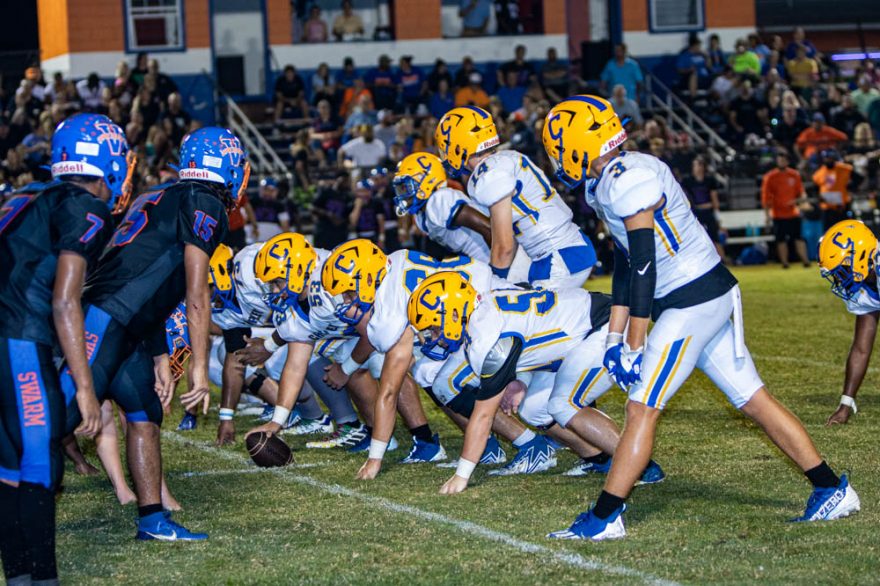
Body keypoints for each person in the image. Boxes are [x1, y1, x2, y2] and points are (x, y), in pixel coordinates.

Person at [542, 94, 859, 540]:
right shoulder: (606, 182)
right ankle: (831, 489)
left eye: (559, 146)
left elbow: (646, 264)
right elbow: (626, 264)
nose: (557, 156)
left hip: (692, 298)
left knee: (641, 408)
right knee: (753, 399)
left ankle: (604, 518)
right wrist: (615, 337)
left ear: (577, 145)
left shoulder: (626, 178)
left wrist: (633, 342)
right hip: (704, 293)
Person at [64, 126, 248, 542]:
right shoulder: (205, 202)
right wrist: (200, 369)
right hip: (104, 317)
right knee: (54, 420)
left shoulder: (160, 194)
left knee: (145, 414)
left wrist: (161, 354)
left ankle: (153, 521)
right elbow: (195, 291)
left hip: (125, 321)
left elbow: (153, 281)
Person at [0, 113, 124, 584]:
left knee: (9, 466)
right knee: (36, 462)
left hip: (6, 331)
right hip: (19, 336)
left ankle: (19, 578)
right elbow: (65, 300)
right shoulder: (85, 208)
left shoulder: (24, 195)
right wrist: (87, 389)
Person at [407, 272, 665, 494]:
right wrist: (521, 379)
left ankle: (641, 466)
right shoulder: (485, 306)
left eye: (435, 328)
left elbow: (484, 416)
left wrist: (462, 474)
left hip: (604, 329)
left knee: (564, 404)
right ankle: (600, 458)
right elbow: (531, 330)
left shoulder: (486, 337)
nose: (434, 337)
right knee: (533, 408)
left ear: (452, 314)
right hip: (576, 337)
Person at [436, 106, 596, 289]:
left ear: (458, 146)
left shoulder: (489, 172)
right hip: (562, 249)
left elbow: (504, 246)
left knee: (530, 315)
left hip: (558, 255)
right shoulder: (507, 157)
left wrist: (492, 284)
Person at [817, 220, 880, 424]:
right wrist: (845, 404)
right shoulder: (866, 283)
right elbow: (861, 349)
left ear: (861, 256)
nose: (838, 277)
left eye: (841, 270)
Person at [761, 149, 810, 268]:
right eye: (780, 160)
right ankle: (785, 263)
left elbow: (801, 192)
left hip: (793, 213)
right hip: (778, 214)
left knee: (798, 237)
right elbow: (766, 197)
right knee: (781, 239)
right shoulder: (770, 177)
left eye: (784, 160)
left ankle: (805, 261)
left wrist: (800, 200)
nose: (782, 162)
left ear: (787, 161)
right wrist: (767, 215)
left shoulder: (794, 175)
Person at [681, 156, 724, 258]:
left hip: (708, 212)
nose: (698, 168)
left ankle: (722, 260)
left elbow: (714, 199)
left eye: (700, 165)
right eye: (696, 165)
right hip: (695, 212)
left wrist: (717, 213)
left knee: (715, 238)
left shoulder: (709, 181)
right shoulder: (688, 181)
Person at [812, 150, 855, 228]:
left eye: (830, 158)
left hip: (842, 206)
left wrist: (851, 189)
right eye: (826, 158)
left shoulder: (844, 168)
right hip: (827, 208)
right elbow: (816, 190)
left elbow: (858, 178)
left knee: (845, 229)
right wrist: (819, 198)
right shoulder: (819, 173)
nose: (828, 160)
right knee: (828, 231)